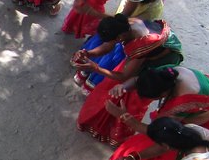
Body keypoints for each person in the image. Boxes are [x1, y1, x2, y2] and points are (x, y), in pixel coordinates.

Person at [105, 65, 209, 160]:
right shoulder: (166, 74)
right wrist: (122, 86)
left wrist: (124, 117)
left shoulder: (181, 103)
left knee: (170, 157)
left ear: (163, 94)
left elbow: (163, 137)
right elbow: (138, 80)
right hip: (194, 114)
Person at [75, 16, 183, 146]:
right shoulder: (123, 25)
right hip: (150, 52)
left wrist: (96, 68)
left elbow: (124, 76)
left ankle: (114, 132)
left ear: (120, 38)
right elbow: (108, 45)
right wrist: (88, 53)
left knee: (133, 97)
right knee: (113, 87)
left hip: (159, 63)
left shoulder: (141, 45)